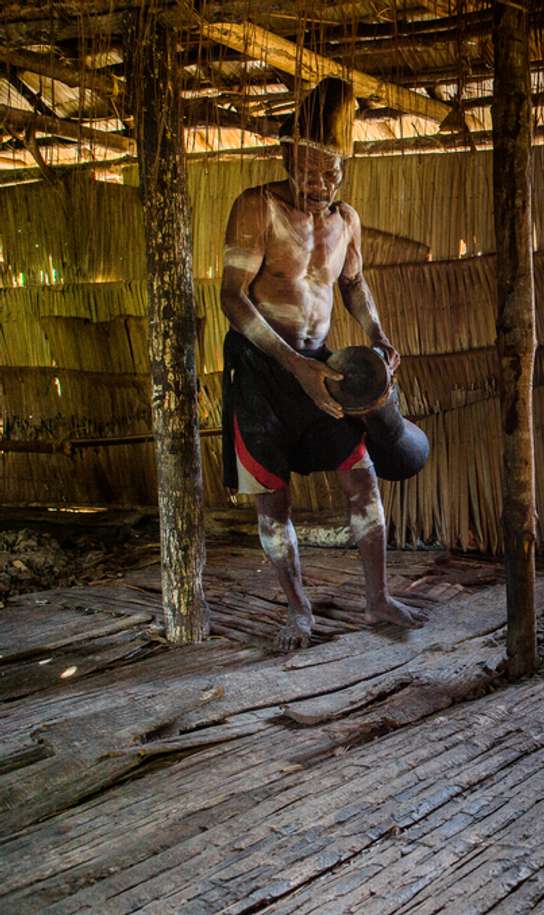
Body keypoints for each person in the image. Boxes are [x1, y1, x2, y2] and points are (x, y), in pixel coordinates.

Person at [219, 77, 426, 649]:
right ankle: (298, 610)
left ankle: (379, 600)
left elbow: (354, 286)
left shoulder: (347, 222)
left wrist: (378, 332)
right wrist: (294, 366)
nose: (319, 183)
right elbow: (232, 300)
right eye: (308, 170)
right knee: (273, 497)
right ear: (288, 157)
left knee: (361, 478)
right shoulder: (257, 207)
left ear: (343, 168)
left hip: (321, 363)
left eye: (330, 172)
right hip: (261, 369)